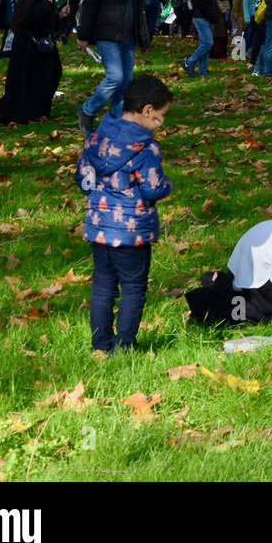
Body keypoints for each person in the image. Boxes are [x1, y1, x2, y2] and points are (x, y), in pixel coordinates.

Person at [76, 74, 173, 353]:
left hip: (99, 229)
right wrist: (167, 185)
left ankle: (100, 346)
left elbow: (83, 180)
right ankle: (125, 344)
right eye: (161, 115)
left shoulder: (95, 140)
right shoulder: (147, 148)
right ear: (148, 111)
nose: (162, 122)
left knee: (103, 286)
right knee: (132, 288)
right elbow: (153, 188)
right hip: (132, 234)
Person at [76, 0, 149, 136]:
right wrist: (83, 35)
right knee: (115, 77)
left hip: (129, 35)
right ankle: (87, 110)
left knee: (126, 82)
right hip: (107, 34)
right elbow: (89, 5)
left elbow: (140, 9)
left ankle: (116, 123)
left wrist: (144, 37)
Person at [0, 0, 62, 125]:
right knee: (31, 80)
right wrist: (50, 3)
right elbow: (37, 17)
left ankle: (36, 110)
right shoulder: (32, 2)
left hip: (39, 47)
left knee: (48, 77)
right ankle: (28, 112)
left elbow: (48, 22)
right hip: (29, 48)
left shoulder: (41, 1)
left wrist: (59, 14)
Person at [182, 0, 219, 77]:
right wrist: (209, 15)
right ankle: (189, 62)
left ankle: (202, 70)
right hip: (201, 16)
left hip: (206, 16)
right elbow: (199, 1)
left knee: (205, 43)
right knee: (208, 43)